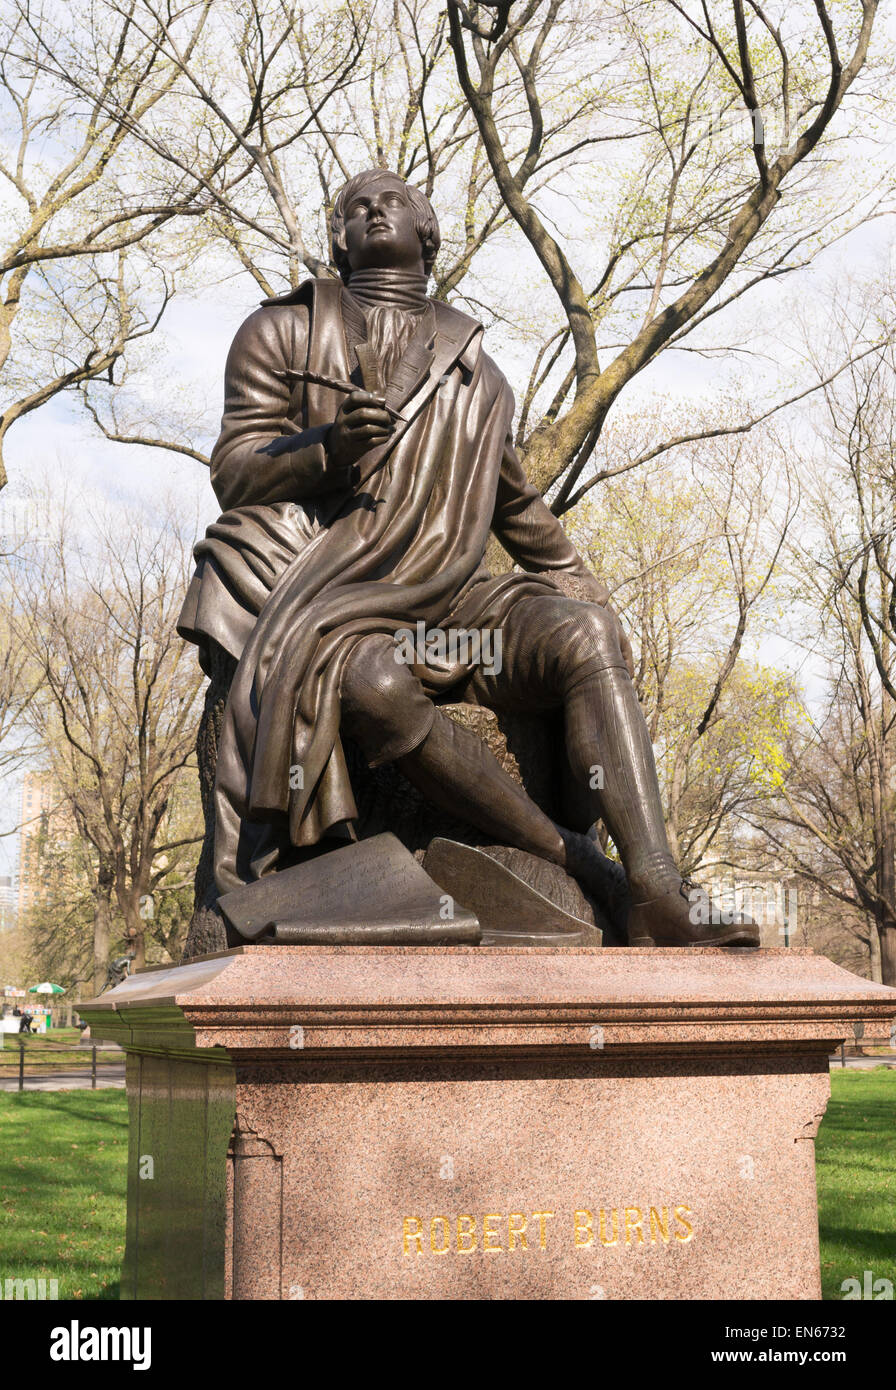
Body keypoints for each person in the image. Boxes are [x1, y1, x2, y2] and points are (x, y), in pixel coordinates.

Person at [179, 169, 757, 948]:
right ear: (338, 239)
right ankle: (580, 862)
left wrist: (576, 583)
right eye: (355, 207)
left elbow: (515, 502)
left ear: (428, 231)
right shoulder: (281, 332)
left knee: (586, 634)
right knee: (376, 682)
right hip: (334, 596)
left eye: (392, 201)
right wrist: (326, 449)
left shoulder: (478, 375)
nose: (373, 209)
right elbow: (235, 469)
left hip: (450, 606)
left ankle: (656, 884)